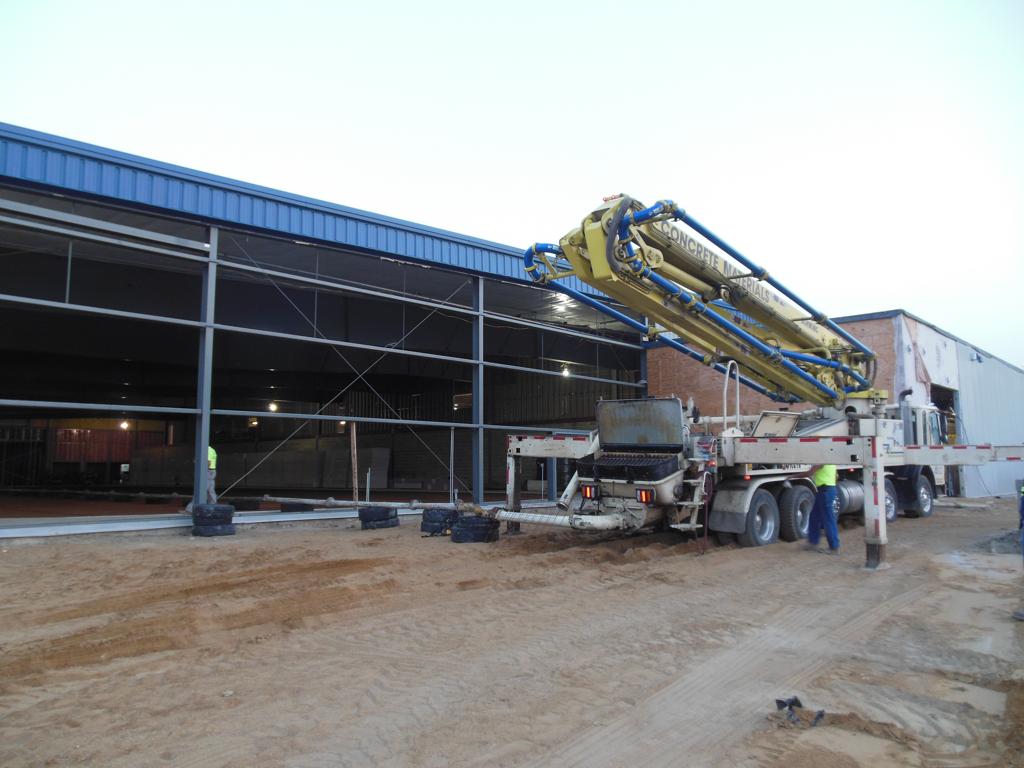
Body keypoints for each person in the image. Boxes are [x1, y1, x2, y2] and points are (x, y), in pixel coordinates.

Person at [805, 463, 840, 555]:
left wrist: (792, 476)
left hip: (825, 491)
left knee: (828, 519)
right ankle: (813, 542)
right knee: (814, 517)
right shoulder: (830, 461)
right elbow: (835, 476)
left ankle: (834, 547)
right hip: (825, 490)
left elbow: (809, 473)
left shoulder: (822, 460)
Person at [185, 445, 218, 513]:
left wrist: (198, 464)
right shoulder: (210, 450)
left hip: (207, 471)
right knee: (210, 491)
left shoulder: (207, 450)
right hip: (210, 472)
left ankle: (191, 508)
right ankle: (213, 507)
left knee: (201, 489)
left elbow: (207, 462)